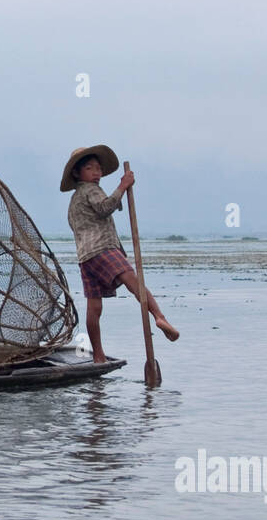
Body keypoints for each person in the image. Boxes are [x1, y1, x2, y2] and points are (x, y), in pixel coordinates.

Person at [60, 144, 179, 364]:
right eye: (89, 168)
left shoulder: (74, 200)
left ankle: (98, 354)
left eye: (98, 168)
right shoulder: (90, 189)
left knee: (94, 307)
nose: (96, 173)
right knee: (134, 282)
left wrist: (119, 192)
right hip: (103, 249)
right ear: (78, 173)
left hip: (85, 258)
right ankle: (160, 317)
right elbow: (105, 207)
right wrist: (123, 186)